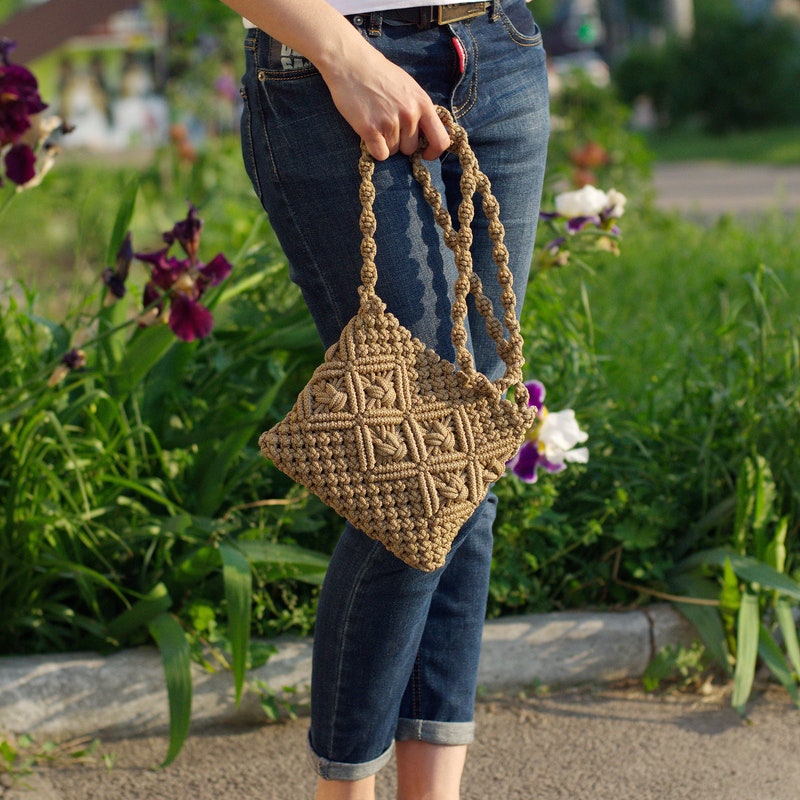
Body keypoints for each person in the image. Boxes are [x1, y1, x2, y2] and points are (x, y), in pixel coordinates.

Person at [218, 1, 550, 797]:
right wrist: (342, 55)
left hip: (499, 49)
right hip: (331, 70)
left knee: (466, 461)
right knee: (418, 472)